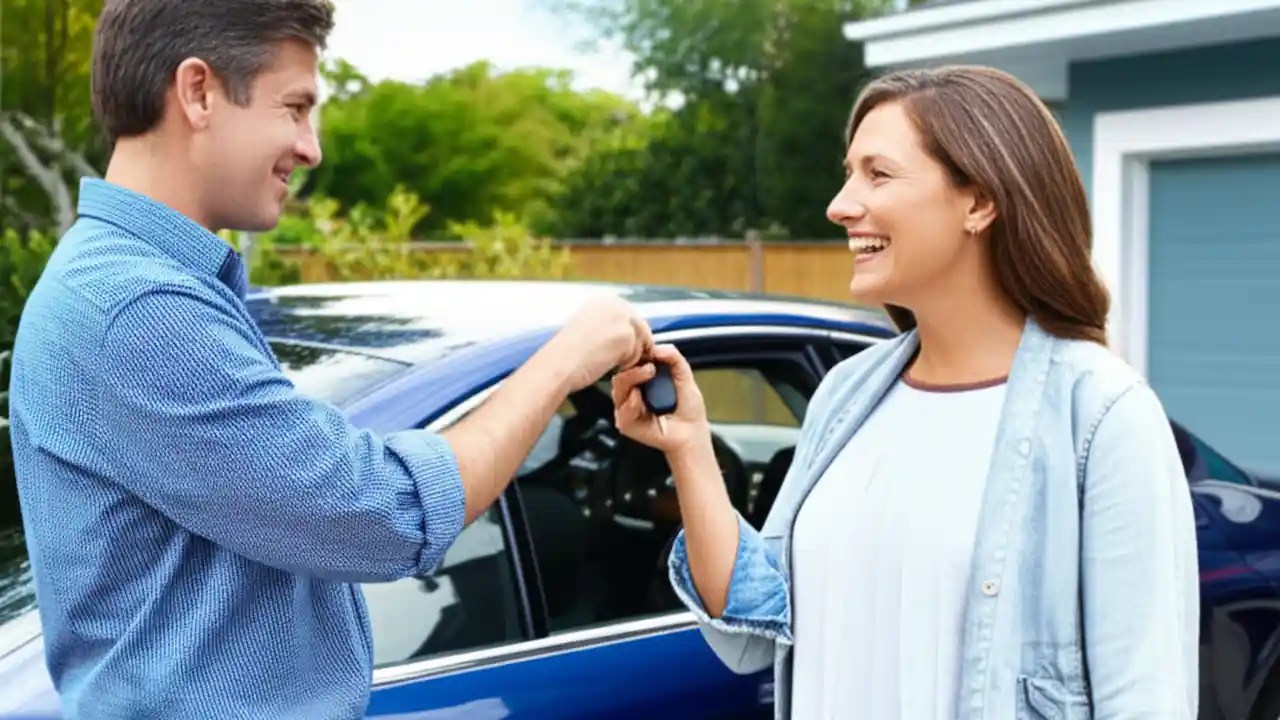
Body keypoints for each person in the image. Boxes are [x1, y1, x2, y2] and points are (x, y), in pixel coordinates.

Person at [7, 1, 652, 718]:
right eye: (294, 107)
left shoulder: (126, 288)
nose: (311, 147)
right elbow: (387, 513)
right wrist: (563, 360)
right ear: (198, 92)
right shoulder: (138, 311)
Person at [612, 65, 1198, 718]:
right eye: (848, 173)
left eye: (878, 173)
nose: (839, 204)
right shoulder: (846, 395)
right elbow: (750, 630)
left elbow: (1144, 699)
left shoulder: (1101, 417)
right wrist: (690, 447)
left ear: (978, 202)